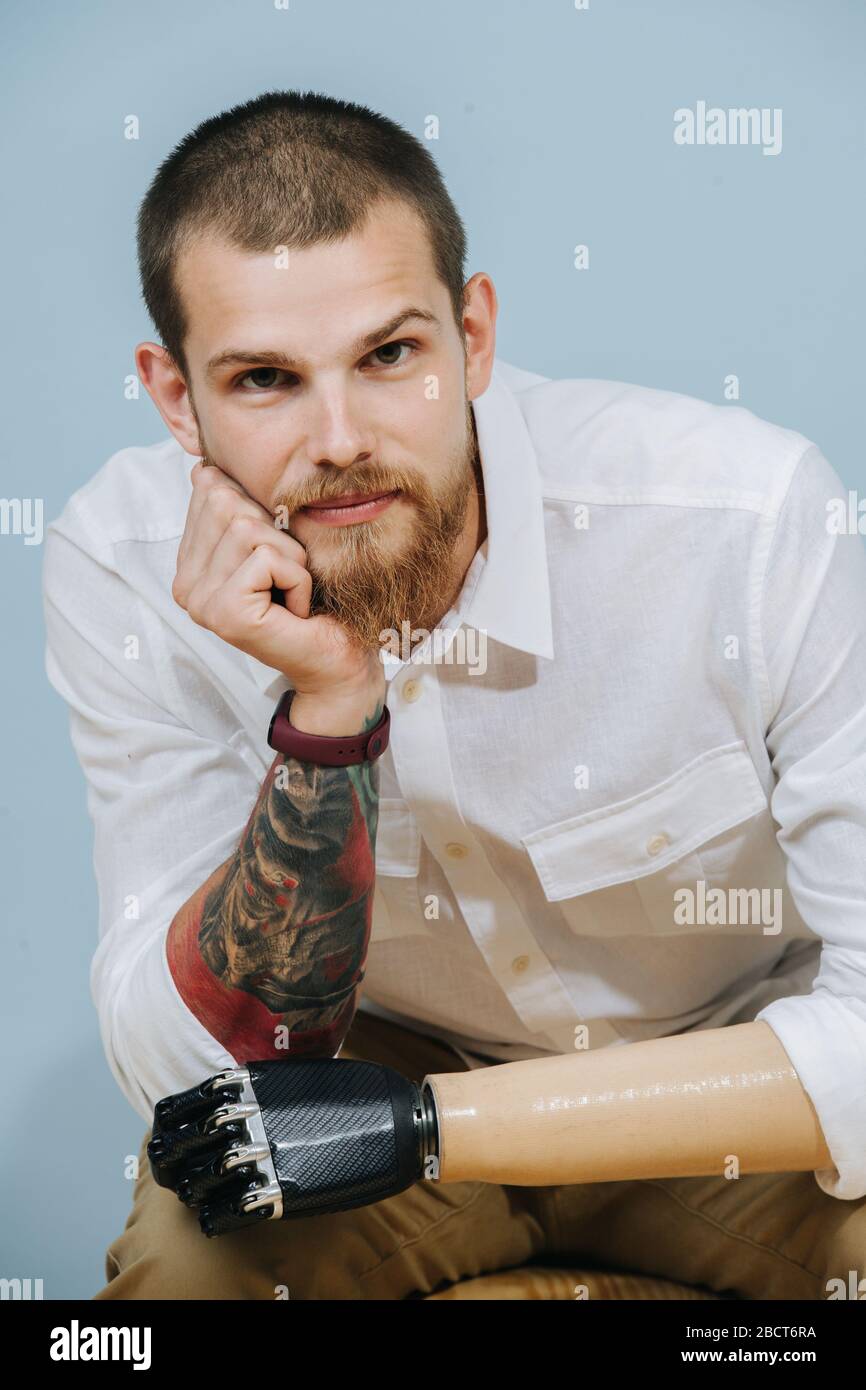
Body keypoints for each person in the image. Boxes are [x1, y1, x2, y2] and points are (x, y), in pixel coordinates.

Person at [42, 89, 866, 1300]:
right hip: (363, 1115)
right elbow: (193, 1075)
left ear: (470, 336)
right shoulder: (120, 561)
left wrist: (431, 1123)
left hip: (721, 1096)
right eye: (266, 379)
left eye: (389, 356)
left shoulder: (741, 523)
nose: (340, 438)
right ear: (176, 399)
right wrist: (325, 716)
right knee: (188, 1274)